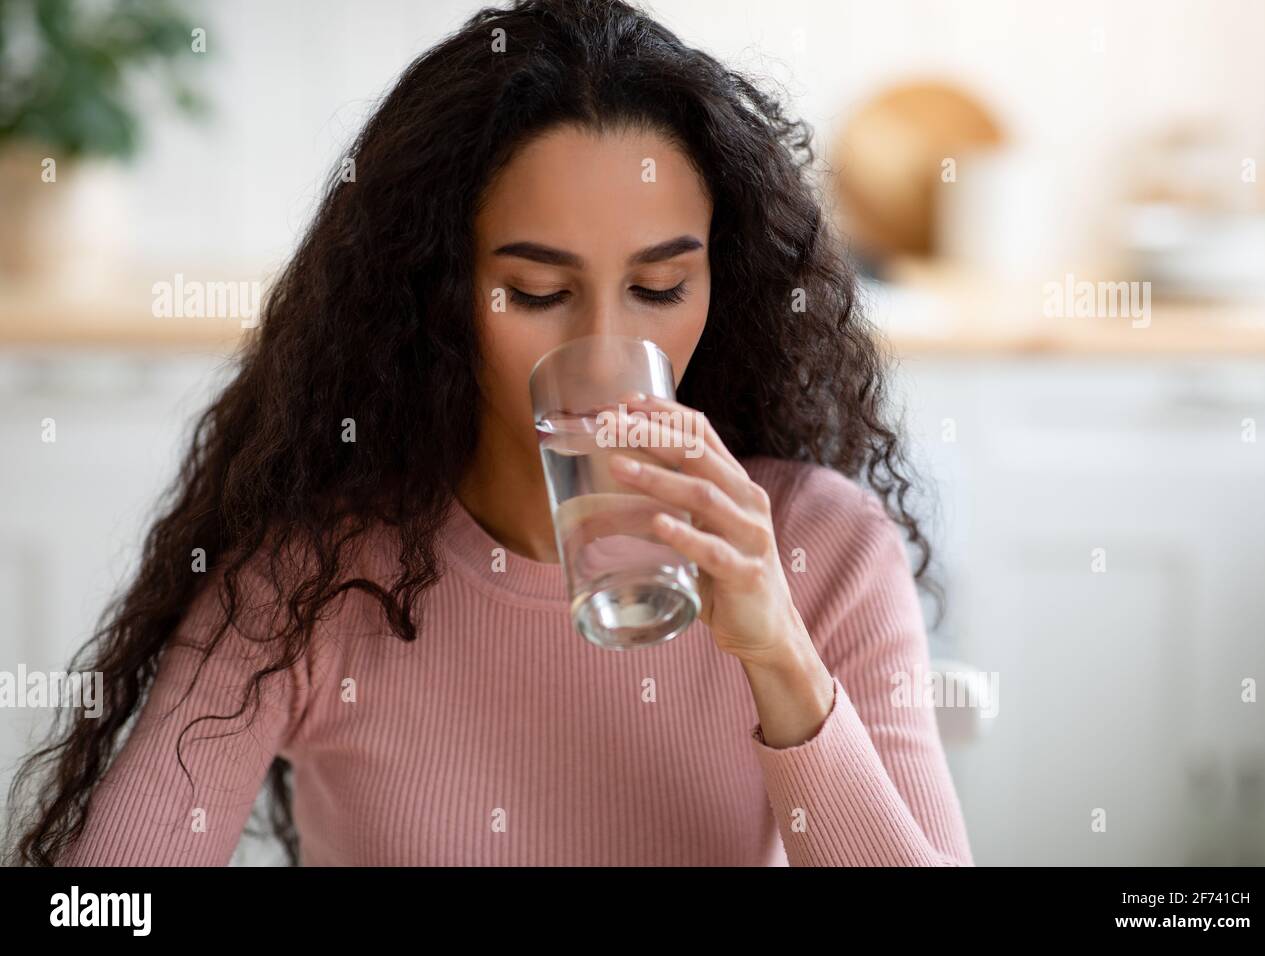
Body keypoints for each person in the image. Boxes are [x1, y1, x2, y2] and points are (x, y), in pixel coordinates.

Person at [6, 0, 973, 867]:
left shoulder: (823, 549)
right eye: (539, 292)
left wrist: (781, 662)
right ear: (437, 295)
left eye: (660, 288)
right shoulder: (314, 575)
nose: (606, 348)